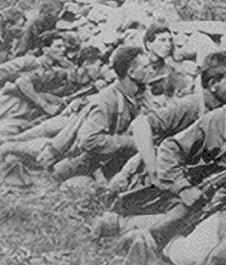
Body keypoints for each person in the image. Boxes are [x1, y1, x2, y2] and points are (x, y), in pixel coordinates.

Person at [111, 66, 226, 265]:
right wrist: (183, 188)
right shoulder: (220, 119)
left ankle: (134, 227)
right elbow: (171, 148)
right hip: (222, 198)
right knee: (192, 252)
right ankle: (150, 238)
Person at [111, 50, 226, 192]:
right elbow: (139, 125)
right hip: (148, 180)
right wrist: (154, 171)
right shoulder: (191, 106)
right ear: (213, 84)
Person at [41, 45, 151, 182]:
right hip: (90, 160)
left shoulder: (141, 92)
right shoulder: (108, 100)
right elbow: (88, 140)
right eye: (145, 67)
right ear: (132, 73)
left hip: (114, 158)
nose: (150, 70)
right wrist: (129, 142)